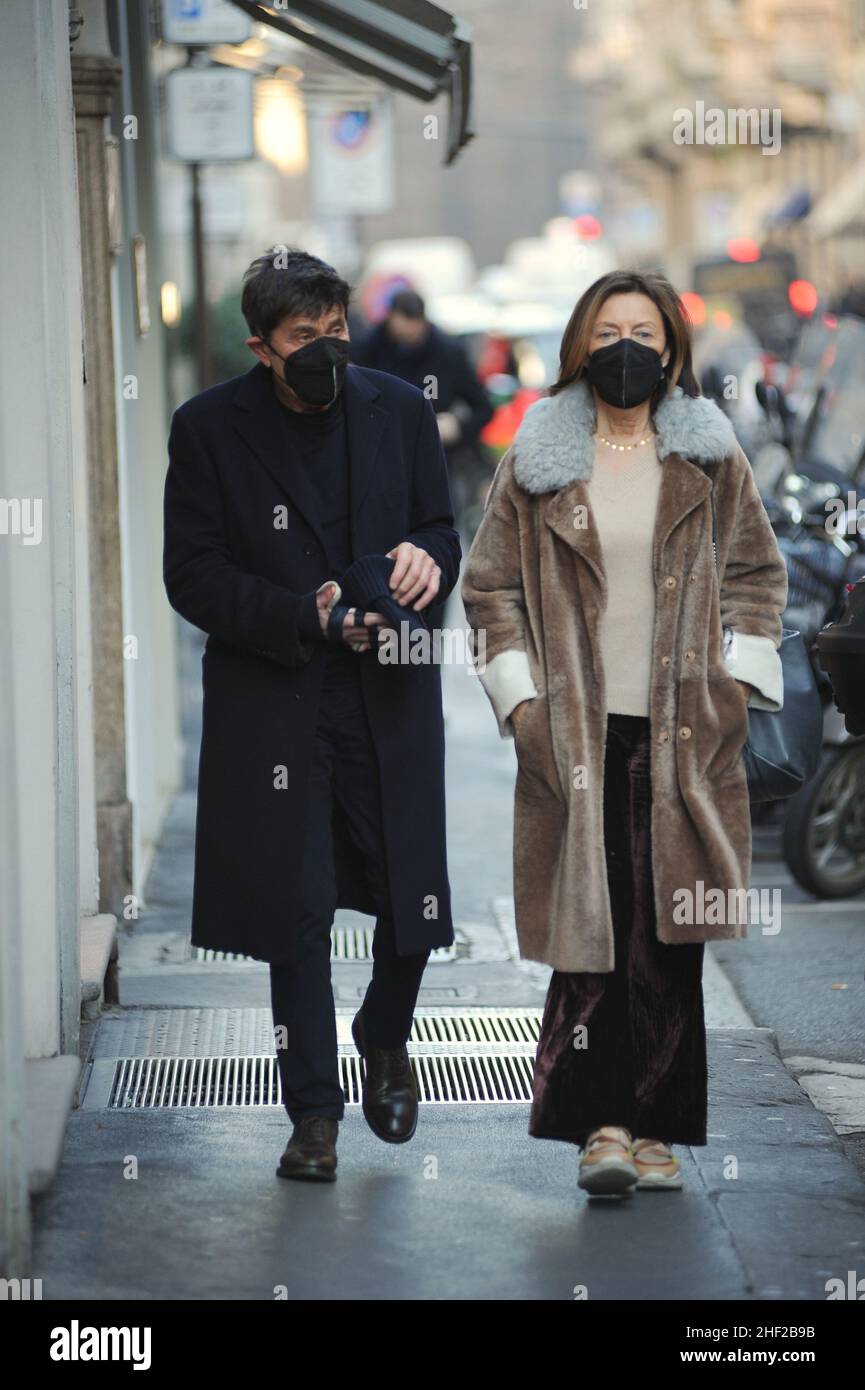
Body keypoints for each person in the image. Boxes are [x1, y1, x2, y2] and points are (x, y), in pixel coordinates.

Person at [461, 269, 788, 1197]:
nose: (625, 349)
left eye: (643, 332)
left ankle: (659, 1130)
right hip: (572, 737)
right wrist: (523, 706)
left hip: (685, 734)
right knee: (590, 938)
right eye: (607, 332)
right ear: (578, 345)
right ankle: (601, 1125)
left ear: (672, 349)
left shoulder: (711, 458)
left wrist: (731, 687)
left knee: (669, 938)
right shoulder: (535, 461)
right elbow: (488, 589)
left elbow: (759, 579)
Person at [163, 248, 461, 1182]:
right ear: (260, 346)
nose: (326, 351)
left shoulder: (400, 408)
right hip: (276, 697)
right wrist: (303, 614)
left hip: (390, 690)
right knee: (296, 913)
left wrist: (426, 564)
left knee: (413, 900)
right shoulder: (209, 428)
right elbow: (193, 574)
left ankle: (383, 1032)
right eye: (304, 339)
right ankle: (314, 1115)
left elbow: (441, 529)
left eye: (336, 330)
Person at [352, 289, 493, 525]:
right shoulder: (366, 349)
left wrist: (457, 426)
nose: (412, 332)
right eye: (405, 323)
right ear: (390, 318)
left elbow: (483, 408)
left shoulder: (447, 352)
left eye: (416, 324)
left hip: (433, 463)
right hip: (377, 464)